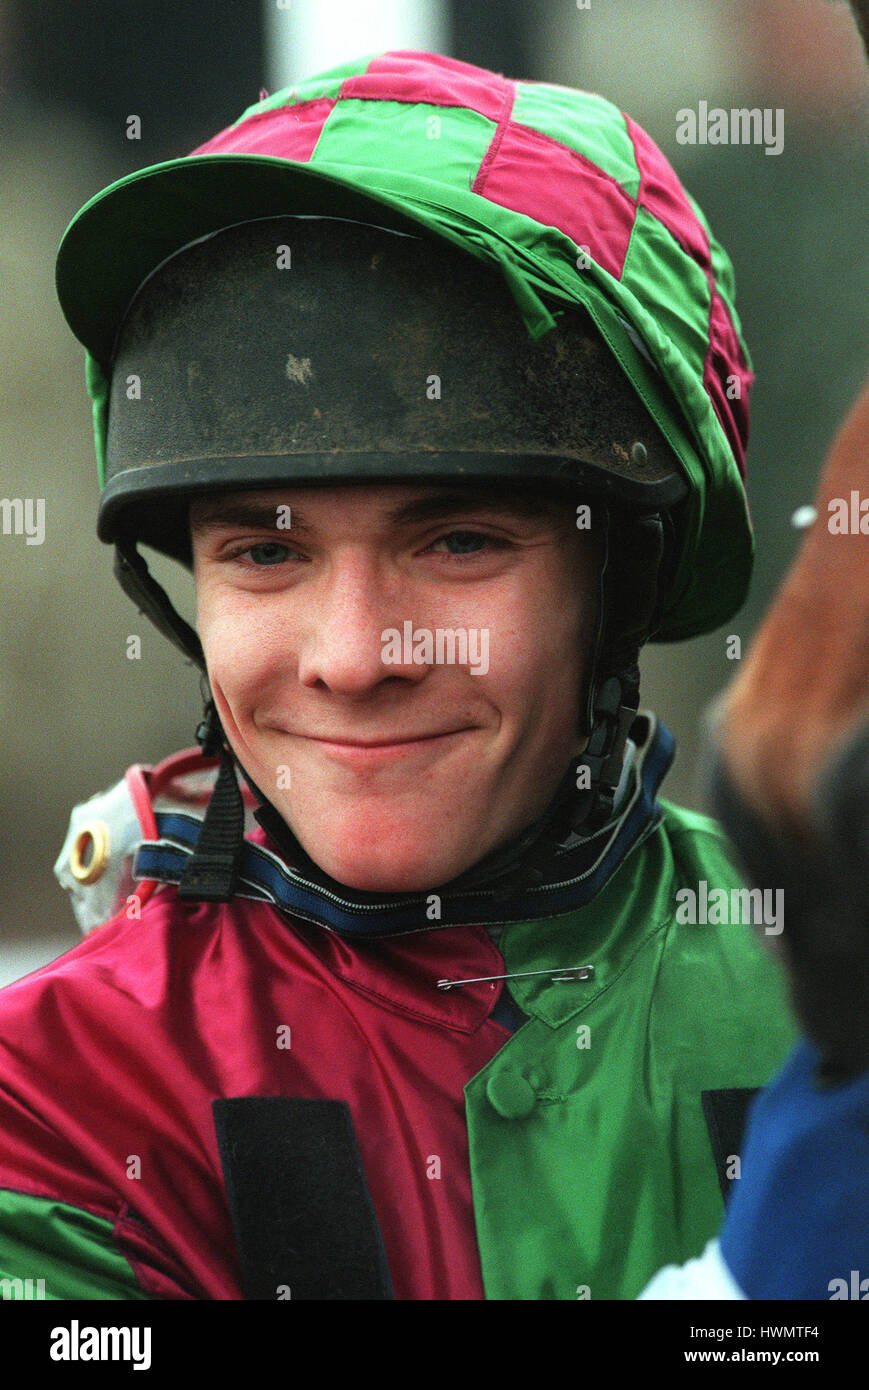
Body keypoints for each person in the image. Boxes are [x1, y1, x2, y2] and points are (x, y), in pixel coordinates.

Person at [0, 48, 847, 1302]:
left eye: (458, 543)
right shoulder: (58, 1097)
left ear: (618, 581)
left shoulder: (824, 1015)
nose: (353, 660)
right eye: (266, 551)